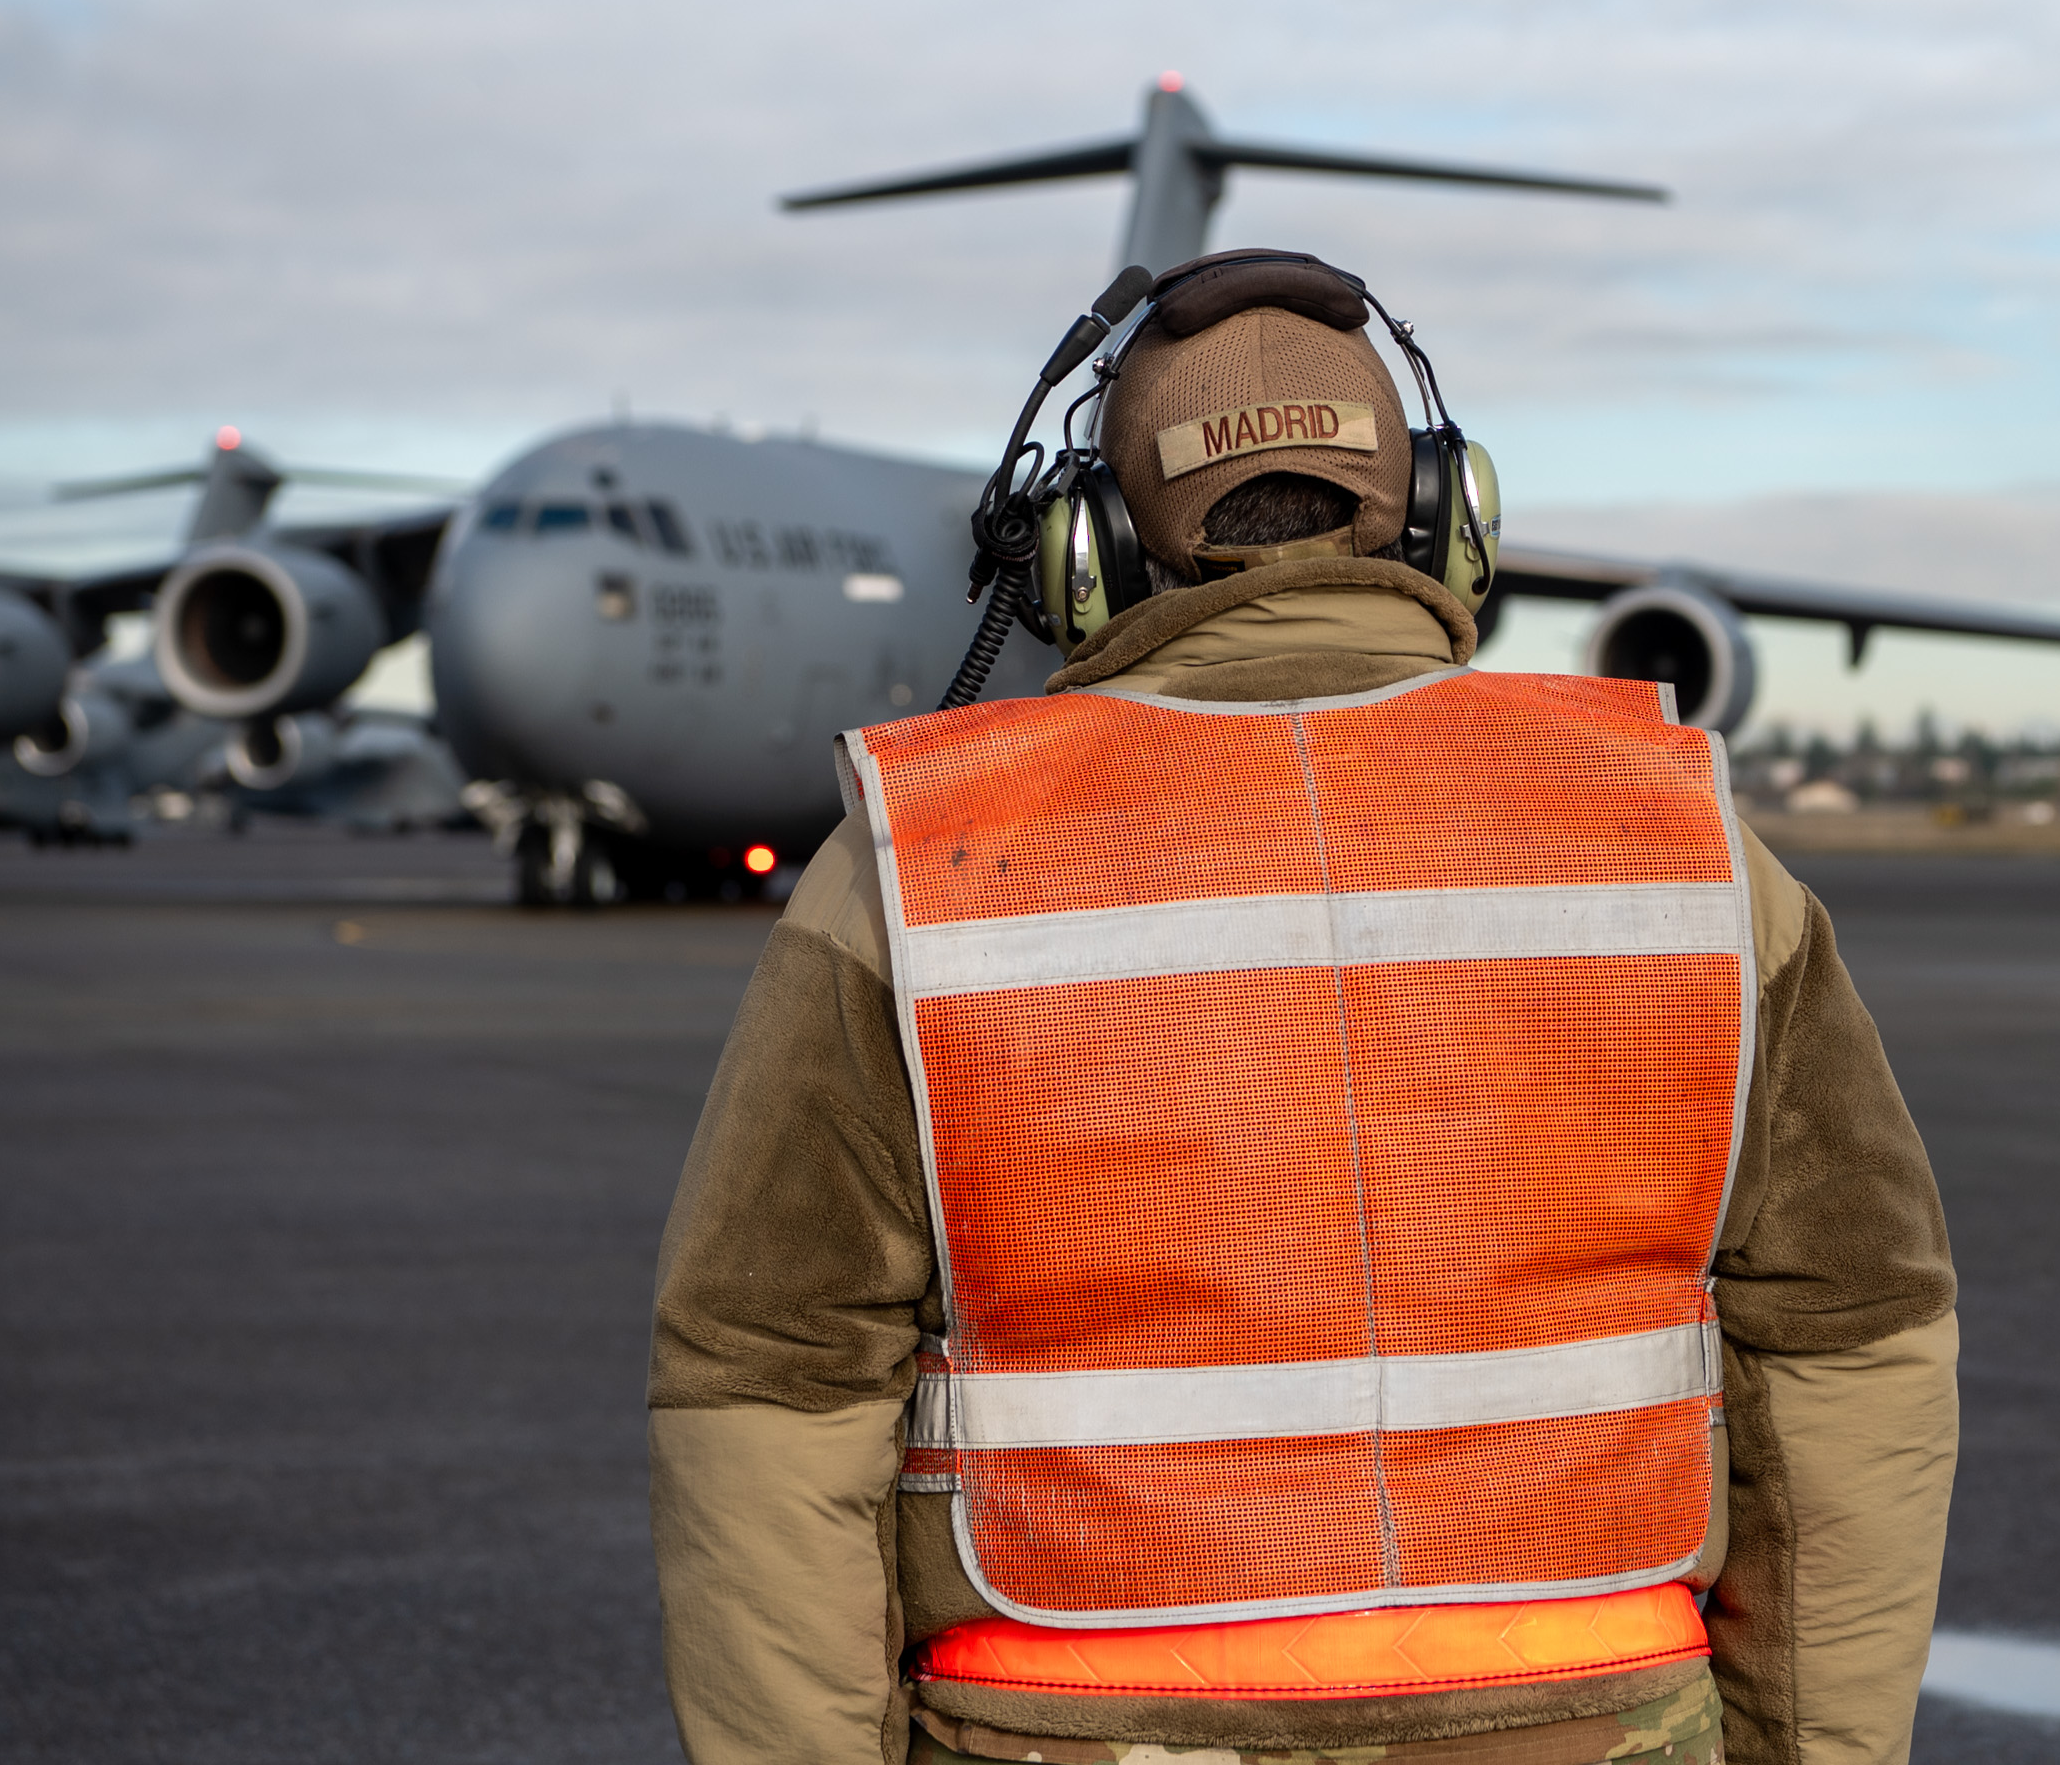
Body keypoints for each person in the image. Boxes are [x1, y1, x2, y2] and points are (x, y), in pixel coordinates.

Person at [648, 251, 1958, 1765]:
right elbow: (1857, 1339)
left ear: (1084, 552)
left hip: (1074, 1719)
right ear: (1449, 523)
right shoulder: (1688, 853)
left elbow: (764, 1386)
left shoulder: (911, 876)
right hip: (1593, 1709)